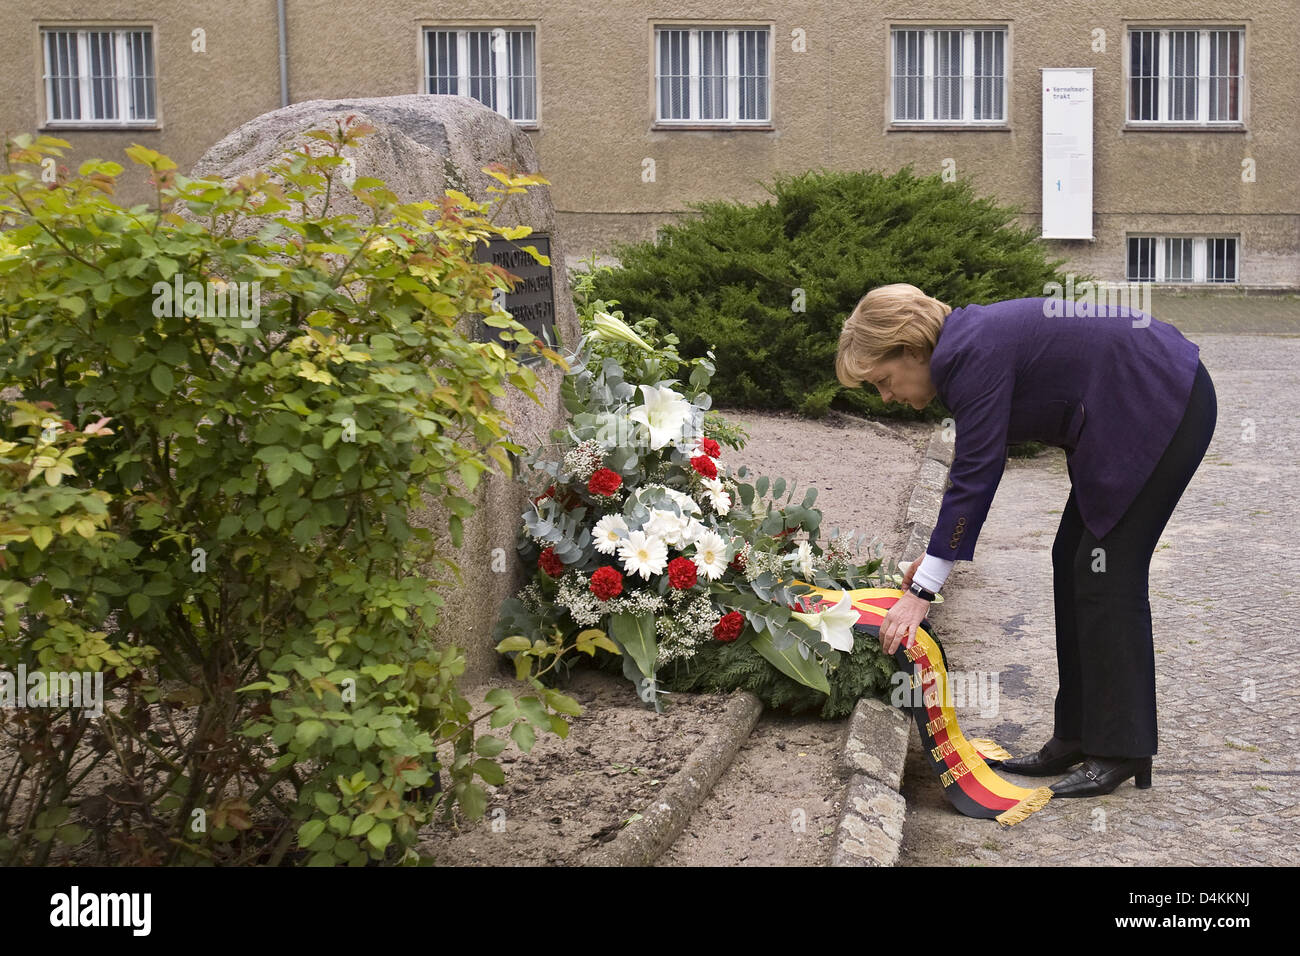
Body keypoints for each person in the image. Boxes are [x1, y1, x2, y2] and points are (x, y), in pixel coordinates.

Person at [834, 283, 1217, 798]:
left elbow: (977, 471)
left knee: (1109, 575)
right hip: (1123, 416)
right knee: (1073, 561)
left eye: (883, 380)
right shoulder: (965, 348)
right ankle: (1078, 736)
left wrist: (922, 592)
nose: (887, 397)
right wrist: (934, 555)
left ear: (909, 348)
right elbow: (976, 467)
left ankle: (1122, 748)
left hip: (1163, 401)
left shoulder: (968, 352)